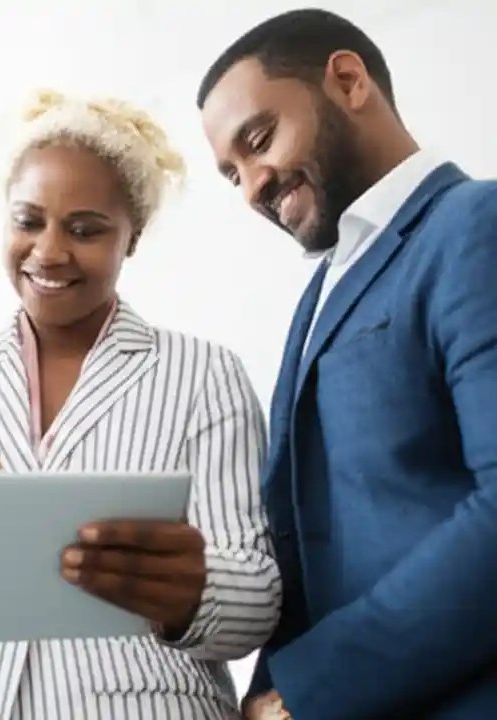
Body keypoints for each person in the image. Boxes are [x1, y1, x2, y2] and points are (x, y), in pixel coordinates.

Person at [0, 90, 280, 719]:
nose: (48, 251)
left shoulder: (203, 374)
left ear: (133, 237)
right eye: (28, 221)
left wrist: (190, 594)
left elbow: (257, 595)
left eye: (85, 229)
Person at [197, 8, 497, 719]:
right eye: (230, 173)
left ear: (348, 80)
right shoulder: (320, 294)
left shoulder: (473, 226)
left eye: (259, 140)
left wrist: (305, 694)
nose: (251, 188)